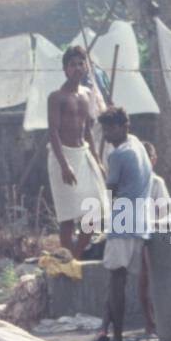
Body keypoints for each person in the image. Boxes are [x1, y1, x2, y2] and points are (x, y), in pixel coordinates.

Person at [85, 106, 152, 341]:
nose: (106, 134)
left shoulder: (119, 155)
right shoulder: (137, 144)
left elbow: (111, 192)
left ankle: (118, 340)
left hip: (123, 219)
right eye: (104, 129)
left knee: (116, 282)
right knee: (117, 279)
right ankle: (106, 332)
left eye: (110, 128)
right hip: (140, 220)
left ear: (124, 126)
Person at [48, 45, 109, 259]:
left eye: (81, 64)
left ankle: (75, 255)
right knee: (67, 215)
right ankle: (69, 258)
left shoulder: (87, 95)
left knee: (93, 209)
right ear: (65, 69)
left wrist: (98, 160)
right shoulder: (56, 97)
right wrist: (64, 165)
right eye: (72, 64)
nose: (77, 68)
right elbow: (53, 132)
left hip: (83, 154)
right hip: (61, 156)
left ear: (85, 67)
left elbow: (88, 131)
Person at [136, 139, 166, 340]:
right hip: (135, 235)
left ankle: (156, 324)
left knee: (150, 280)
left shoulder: (157, 182)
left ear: (154, 160)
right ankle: (149, 324)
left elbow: (164, 214)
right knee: (142, 280)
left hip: (153, 236)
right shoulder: (130, 182)